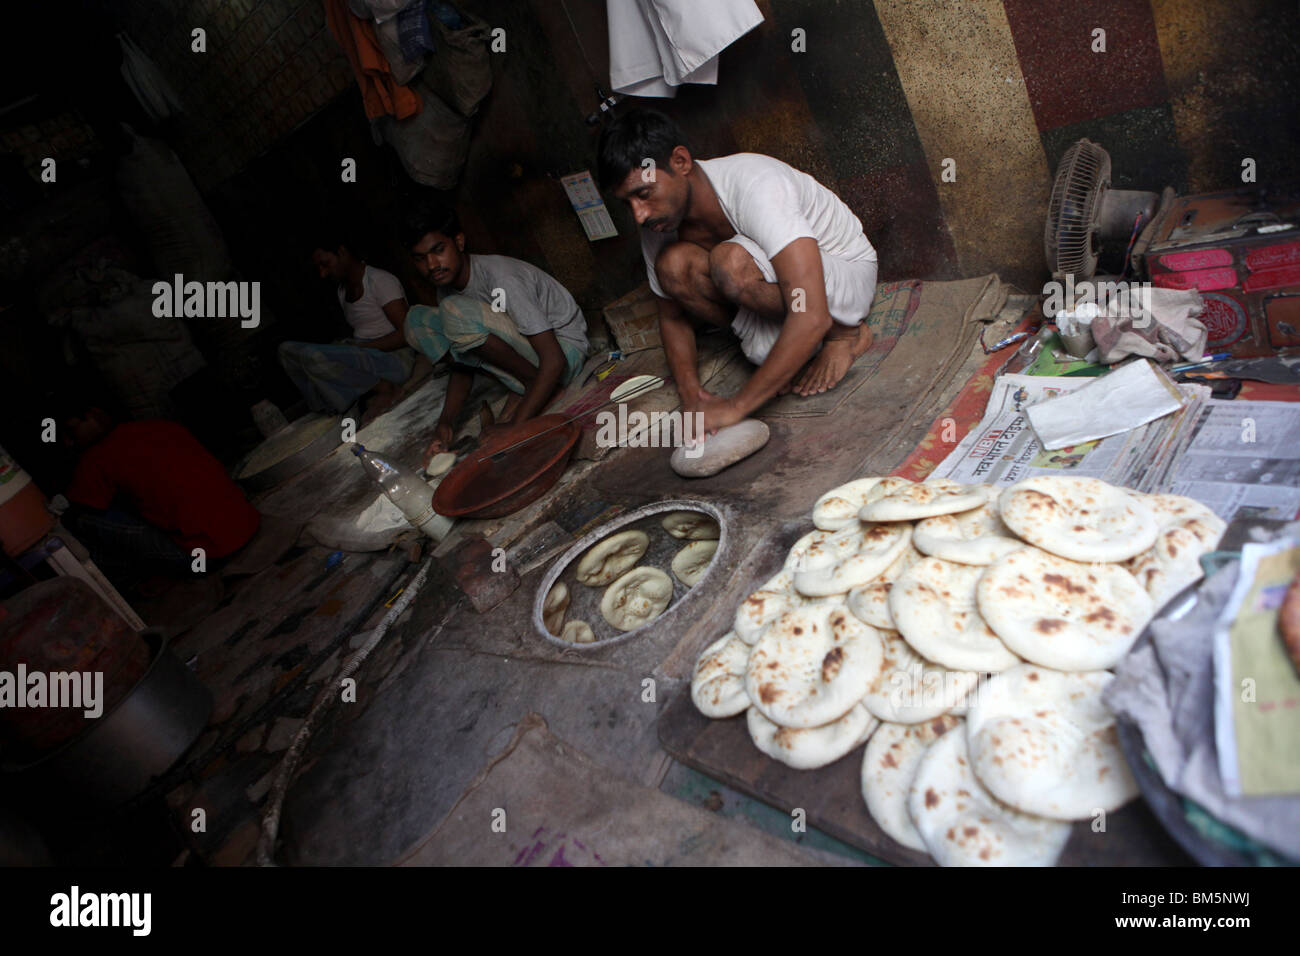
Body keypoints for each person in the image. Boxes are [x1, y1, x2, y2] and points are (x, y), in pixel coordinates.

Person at [597, 108, 879, 435]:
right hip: (779, 298)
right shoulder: (659, 223)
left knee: (730, 262)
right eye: (627, 204)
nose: (639, 215)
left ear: (681, 162)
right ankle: (795, 349)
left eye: (643, 194)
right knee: (672, 267)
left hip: (841, 273)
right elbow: (672, 318)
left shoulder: (754, 182)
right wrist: (692, 399)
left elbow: (809, 310)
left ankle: (845, 333)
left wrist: (736, 407)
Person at [400, 205, 590, 462]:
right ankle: (526, 384)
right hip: (531, 359)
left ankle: (537, 387)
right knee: (416, 320)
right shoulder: (445, 286)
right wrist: (445, 423)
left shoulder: (501, 277)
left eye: (438, 250)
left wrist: (515, 427)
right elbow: (462, 361)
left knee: (453, 312)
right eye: (420, 258)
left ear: (459, 241)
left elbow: (554, 359)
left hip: (562, 354)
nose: (432, 265)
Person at [58, 403, 260, 594]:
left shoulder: (95, 458)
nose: (68, 443)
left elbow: (74, 512)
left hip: (206, 558)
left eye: (71, 431)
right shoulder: (162, 426)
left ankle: (131, 587)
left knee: (80, 521)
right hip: (249, 524)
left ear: (94, 415)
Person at [277, 234, 416, 416]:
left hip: (395, 359)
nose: (323, 274)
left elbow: (407, 334)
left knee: (315, 356)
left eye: (325, 264)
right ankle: (322, 410)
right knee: (285, 350)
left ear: (342, 252)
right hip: (367, 355)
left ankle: (386, 389)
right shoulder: (342, 292)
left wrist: (361, 347)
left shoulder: (379, 281)